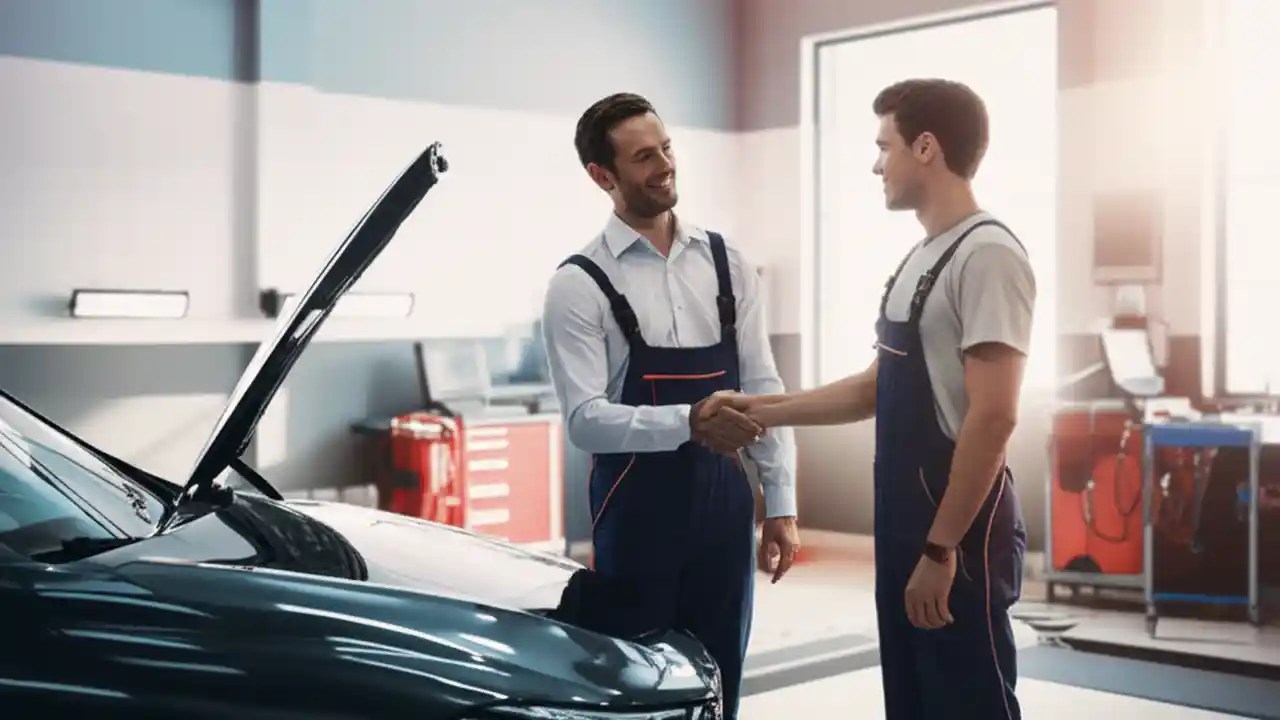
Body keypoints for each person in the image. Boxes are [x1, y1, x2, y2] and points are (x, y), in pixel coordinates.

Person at [707, 79, 1034, 719]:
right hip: (907, 517)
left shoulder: (989, 255)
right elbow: (873, 386)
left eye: (885, 147)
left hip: (957, 529)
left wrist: (941, 549)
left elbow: (994, 418)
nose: (876, 165)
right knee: (913, 701)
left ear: (926, 148)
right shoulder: (922, 256)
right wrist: (759, 410)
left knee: (969, 701)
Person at [541, 92, 800, 719]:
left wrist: (781, 501)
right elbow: (584, 421)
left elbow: (763, 385)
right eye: (642, 157)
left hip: (724, 505)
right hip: (636, 513)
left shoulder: (727, 263)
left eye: (666, 148)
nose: (664, 166)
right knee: (639, 685)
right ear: (602, 176)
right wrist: (689, 421)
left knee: (721, 677)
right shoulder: (578, 283)